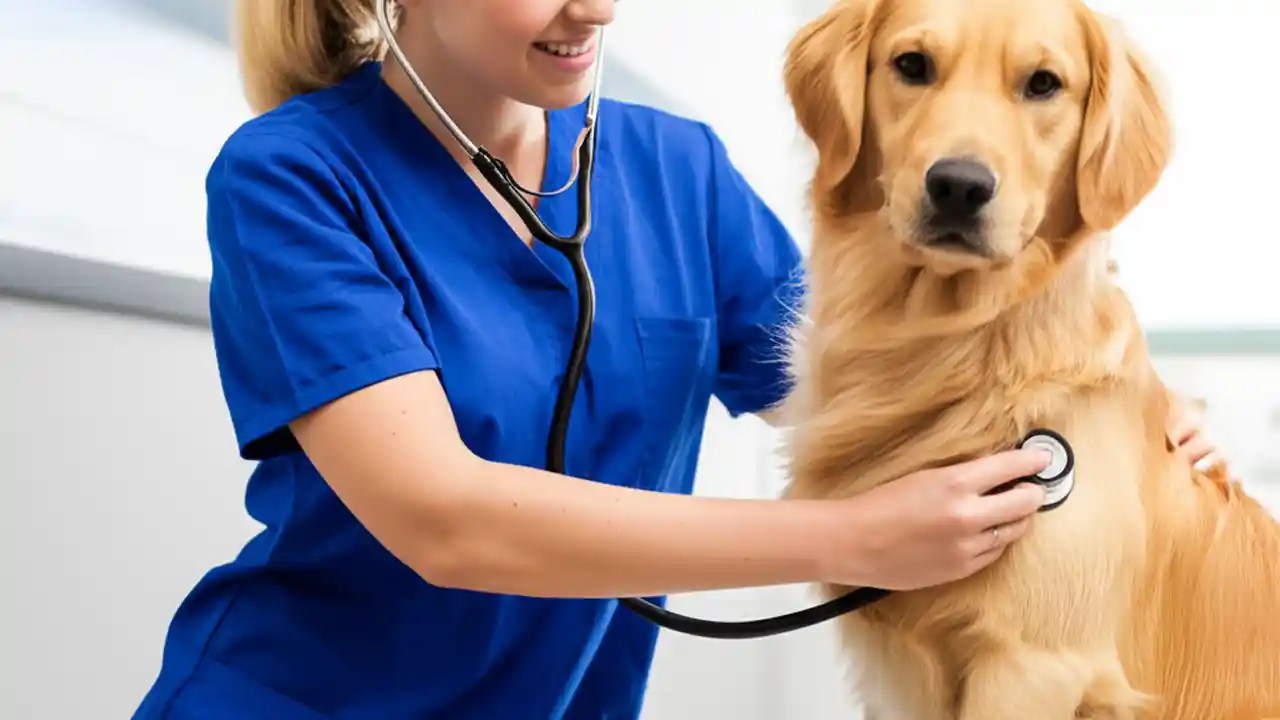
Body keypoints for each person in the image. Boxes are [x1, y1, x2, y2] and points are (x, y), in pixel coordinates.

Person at [132, 0, 1224, 717]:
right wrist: (853, 537)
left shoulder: (673, 172)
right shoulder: (291, 180)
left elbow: (894, 391)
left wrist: (1126, 415)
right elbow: (443, 521)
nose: (595, 7)